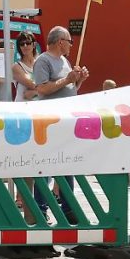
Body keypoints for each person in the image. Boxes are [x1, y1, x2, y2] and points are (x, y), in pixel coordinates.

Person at [33, 26, 90, 225]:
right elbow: (41, 89)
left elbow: (69, 88)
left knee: (67, 165)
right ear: (60, 42)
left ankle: (68, 207)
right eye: (69, 41)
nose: (71, 45)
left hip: (65, 119)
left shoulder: (64, 61)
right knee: (46, 166)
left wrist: (78, 80)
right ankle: (41, 208)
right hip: (49, 121)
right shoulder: (43, 60)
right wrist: (68, 79)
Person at [12, 31, 38, 102]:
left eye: (28, 43)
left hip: (38, 107)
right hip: (21, 108)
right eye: (22, 44)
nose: (25, 46)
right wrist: (49, 88)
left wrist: (35, 93)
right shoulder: (16, 67)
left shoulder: (40, 63)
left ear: (34, 44)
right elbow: (32, 85)